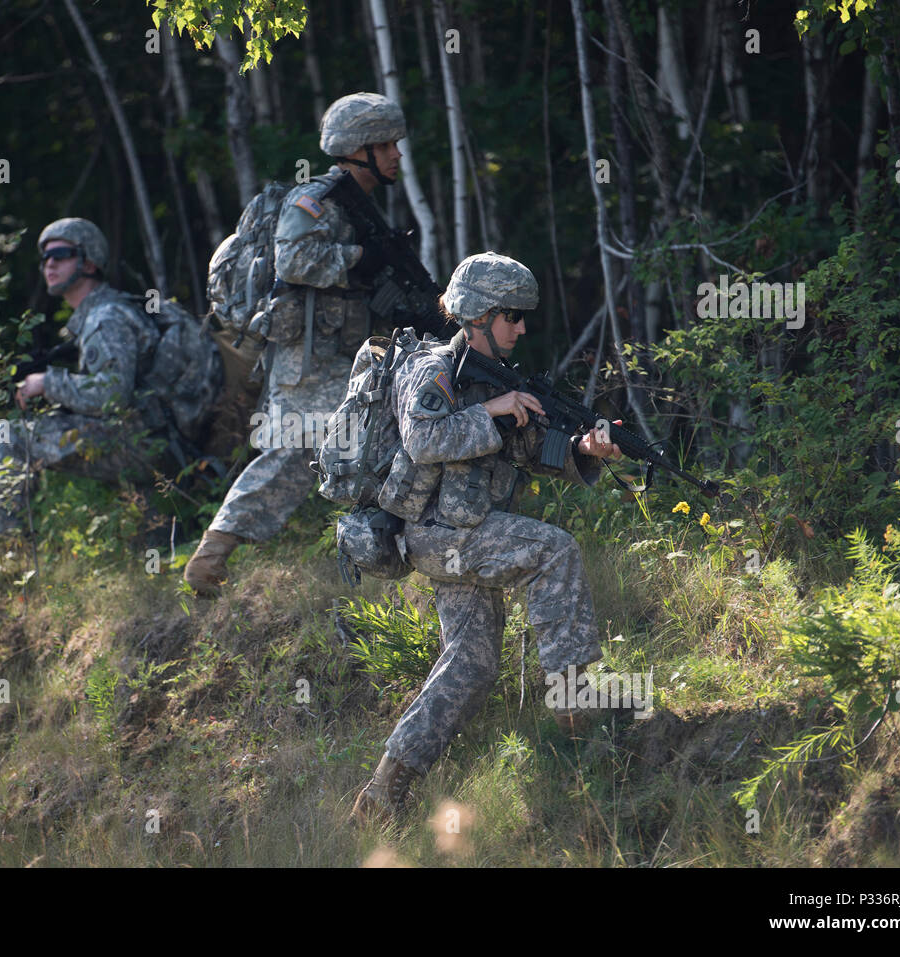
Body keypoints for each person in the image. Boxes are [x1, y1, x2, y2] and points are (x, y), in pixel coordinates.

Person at [349, 252, 624, 825]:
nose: (522, 328)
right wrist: (495, 411)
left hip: (467, 534)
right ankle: (576, 712)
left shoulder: (499, 378)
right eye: (511, 316)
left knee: (470, 669)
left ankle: (382, 793)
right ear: (476, 316)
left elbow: (526, 451)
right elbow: (424, 441)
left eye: (522, 317)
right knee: (554, 551)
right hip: (435, 535)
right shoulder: (431, 371)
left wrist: (581, 450)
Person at [184, 91, 411, 594]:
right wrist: (359, 259)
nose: (397, 154)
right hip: (307, 360)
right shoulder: (314, 200)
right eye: (388, 144)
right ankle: (211, 558)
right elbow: (293, 262)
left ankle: (376, 571)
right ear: (360, 149)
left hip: (341, 357)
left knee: (366, 450)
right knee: (293, 455)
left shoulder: (358, 207)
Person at [0, 217, 168, 535]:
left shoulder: (104, 318)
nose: (50, 263)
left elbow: (112, 396)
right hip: (159, 438)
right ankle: (157, 536)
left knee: (11, 435)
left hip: (148, 442)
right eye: (45, 258)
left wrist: (45, 383)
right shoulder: (106, 312)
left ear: (89, 263)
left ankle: (11, 551)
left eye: (62, 255)